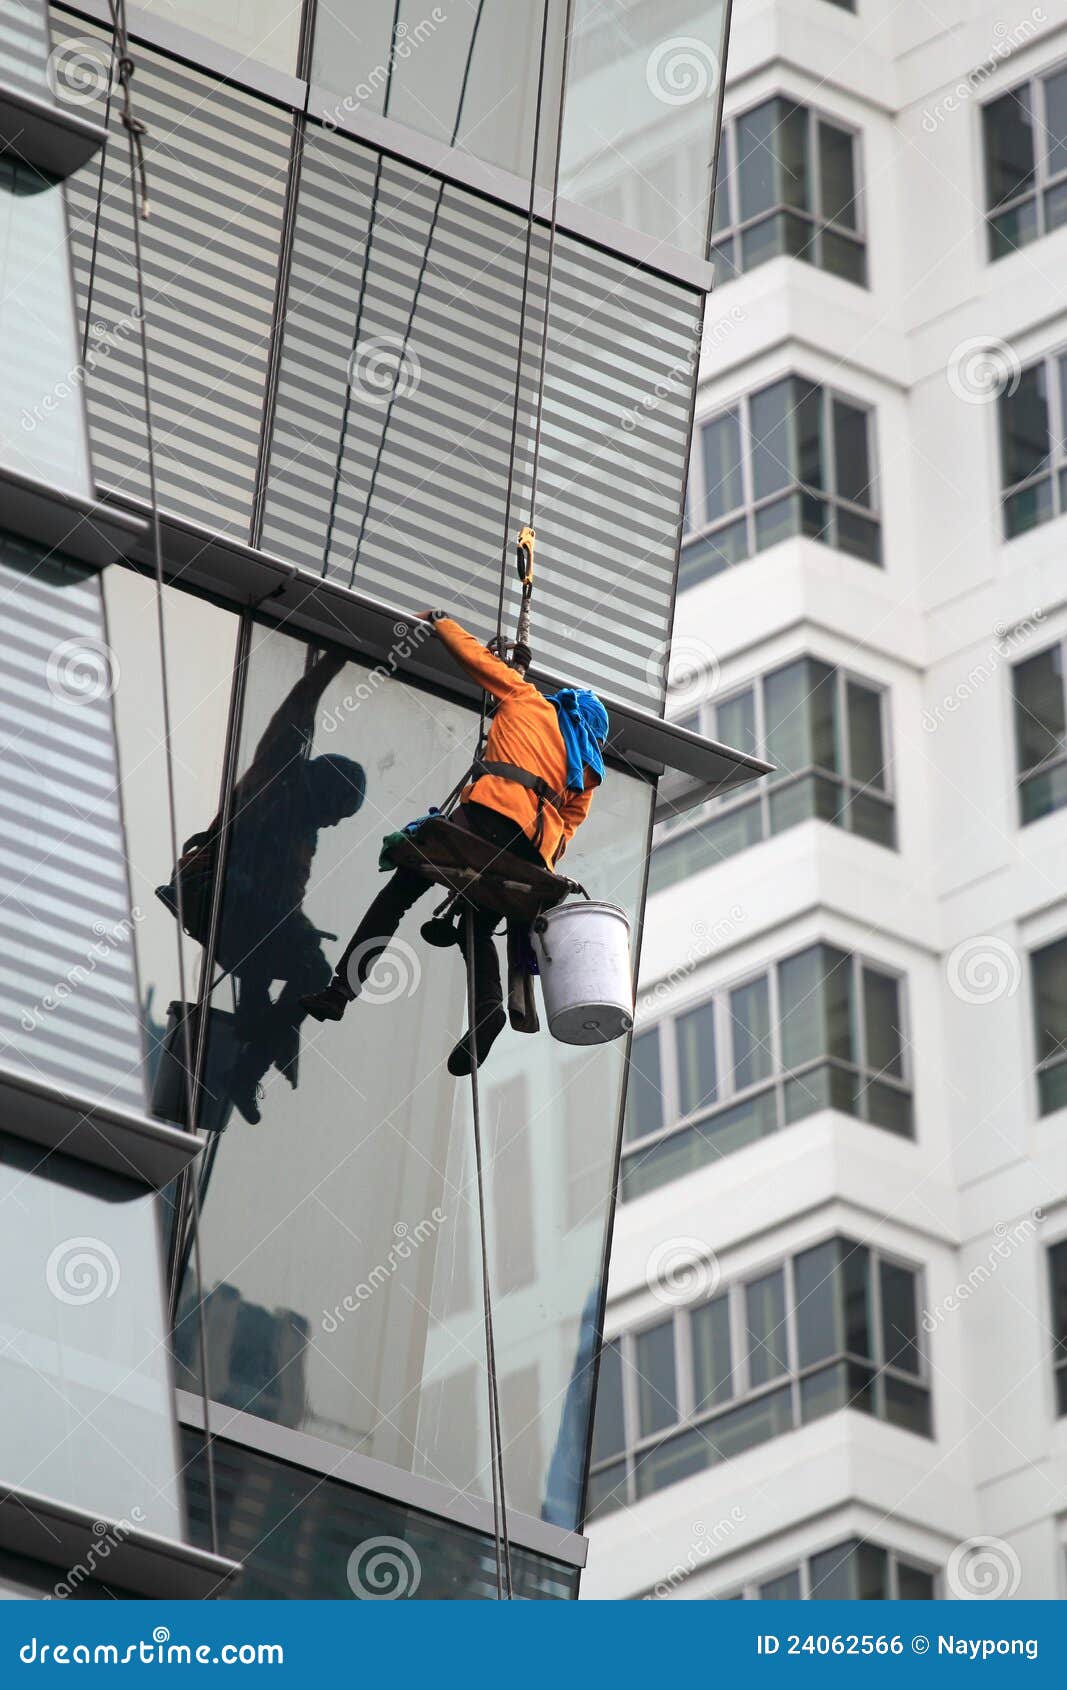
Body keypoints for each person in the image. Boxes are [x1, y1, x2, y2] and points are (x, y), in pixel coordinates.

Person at [301, 610, 609, 1076]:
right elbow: (566, 830)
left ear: (567, 703)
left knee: (399, 894)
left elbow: (473, 659)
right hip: (524, 859)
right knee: (477, 924)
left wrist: (439, 620)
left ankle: (340, 991)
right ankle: (488, 1008)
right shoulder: (585, 769)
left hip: (482, 822)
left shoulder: (527, 699)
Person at [218, 648, 366, 1123]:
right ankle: (260, 1037)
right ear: (323, 787)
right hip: (225, 897)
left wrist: (300, 928)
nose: (334, 824)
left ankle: (251, 1060)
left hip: (252, 923)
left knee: (312, 972)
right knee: (307, 967)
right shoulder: (280, 772)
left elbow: (285, 902)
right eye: (337, 811)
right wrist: (336, 657)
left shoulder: (305, 837)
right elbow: (299, 705)